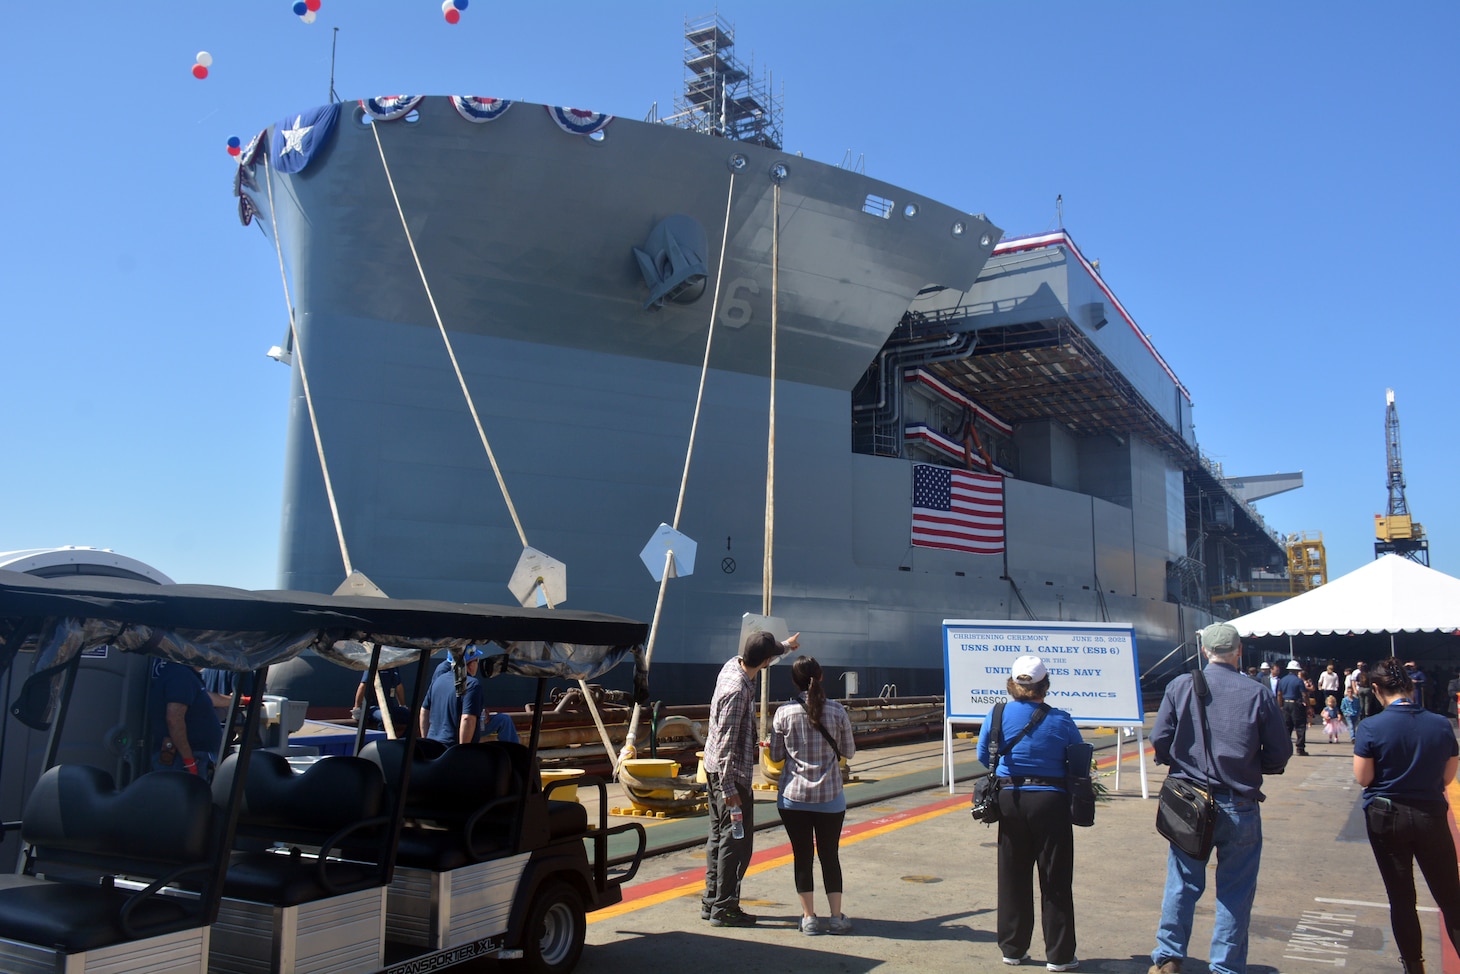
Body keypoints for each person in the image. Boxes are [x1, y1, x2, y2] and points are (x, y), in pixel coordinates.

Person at [1149, 623, 1291, 974]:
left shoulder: (1180, 686)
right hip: (1239, 803)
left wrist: (1180, 763)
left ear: (1204, 652)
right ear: (1239, 651)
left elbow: (1160, 738)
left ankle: (1168, 957)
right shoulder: (1256, 692)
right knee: (1235, 890)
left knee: (1182, 882)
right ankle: (1225, 967)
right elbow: (1279, 752)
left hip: (1190, 803)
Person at [977, 654, 1085, 971]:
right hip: (1050, 802)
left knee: (1013, 876)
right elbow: (1079, 760)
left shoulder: (996, 715)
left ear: (1012, 685)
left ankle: (1013, 948)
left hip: (1010, 800)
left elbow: (985, 756)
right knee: (1055, 878)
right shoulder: (1061, 720)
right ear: (1044, 686)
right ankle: (1060, 955)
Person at [1353, 657, 1460, 974]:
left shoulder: (1371, 727)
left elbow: (1363, 777)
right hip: (1430, 815)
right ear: (1412, 686)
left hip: (1388, 818)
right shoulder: (1441, 724)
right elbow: (1447, 777)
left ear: (1375, 688)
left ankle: (1414, 966)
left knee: (1401, 898)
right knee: (1450, 898)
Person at [701, 630, 797, 927]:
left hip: (715, 769)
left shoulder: (733, 665)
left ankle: (711, 902)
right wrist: (730, 788)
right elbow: (729, 742)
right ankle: (725, 907)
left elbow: (764, 651)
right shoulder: (737, 691)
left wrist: (787, 647)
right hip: (731, 776)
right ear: (765, 661)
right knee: (736, 841)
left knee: (719, 836)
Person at [770, 655, 856, 936]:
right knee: (830, 856)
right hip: (830, 798)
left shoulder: (783, 714)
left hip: (793, 799)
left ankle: (808, 918)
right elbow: (849, 752)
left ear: (795, 682)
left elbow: (776, 756)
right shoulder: (837, 711)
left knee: (802, 856)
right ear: (820, 677)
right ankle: (836, 917)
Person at [149, 660, 228, 778]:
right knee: (184, 794)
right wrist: (188, 760)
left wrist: (240, 700)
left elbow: (208, 698)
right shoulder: (180, 675)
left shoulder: (187, 676)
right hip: (182, 758)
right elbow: (174, 719)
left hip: (189, 756)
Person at [420, 647, 487, 746]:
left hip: (433, 747)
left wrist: (426, 742)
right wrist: (461, 752)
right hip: (452, 749)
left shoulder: (438, 681)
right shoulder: (472, 685)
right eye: (476, 660)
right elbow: (467, 719)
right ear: (471, 664)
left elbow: (424, 711)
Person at [353, 666, 410, 732]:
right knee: (385, 718)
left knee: (412, 717)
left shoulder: (393, 666)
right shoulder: (374, 665)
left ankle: (404, 740)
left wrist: (402, 705)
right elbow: (363, 686)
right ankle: (381, 740)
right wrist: (356, 708)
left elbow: (398, 686)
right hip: (372, 708)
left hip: (389, 707)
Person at [1277, 660, 1309, 756]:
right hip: (1296, 704)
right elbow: (1304, 694)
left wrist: (1280, 706)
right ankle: (1300, 748)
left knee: (1287, 727)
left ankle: (1284, 748)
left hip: (1286, 704)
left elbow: (1279, 694)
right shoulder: (1299, 681)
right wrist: (1308, 706)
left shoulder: (1282, 680)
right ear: (1297, 670)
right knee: (1300, 727)